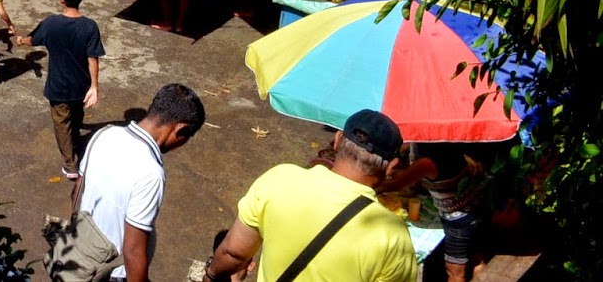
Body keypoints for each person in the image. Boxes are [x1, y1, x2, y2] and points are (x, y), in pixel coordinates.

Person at [205, 109, 416, 282]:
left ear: (338, 140)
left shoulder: (280, 178)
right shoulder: (392, 236)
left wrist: (211, 275)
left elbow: (234, 254)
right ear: (392, 167)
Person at [78, 83, 205, 282]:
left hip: (80, 256)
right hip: (112, 273)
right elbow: (132, 251)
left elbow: (77, 191)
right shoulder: (151, 173)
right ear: (180, 130)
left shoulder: (104, 134)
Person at [15, 0, 104, 180]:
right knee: (75, 117)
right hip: (80, 85)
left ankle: (70, 165)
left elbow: (32, 40)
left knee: (62, 124)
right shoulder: (90, 26)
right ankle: (75, 149)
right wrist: (94, 87)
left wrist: (20, 40)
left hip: (59, 86)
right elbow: (93, 58)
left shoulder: (51, 23)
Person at [381, 144, 489, 282]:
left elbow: (398, 184)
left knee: (455, 272)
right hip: (474, 207)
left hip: (458, 219)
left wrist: (374, 185)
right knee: (477, 260)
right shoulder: (447, 144)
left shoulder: (427, 161)